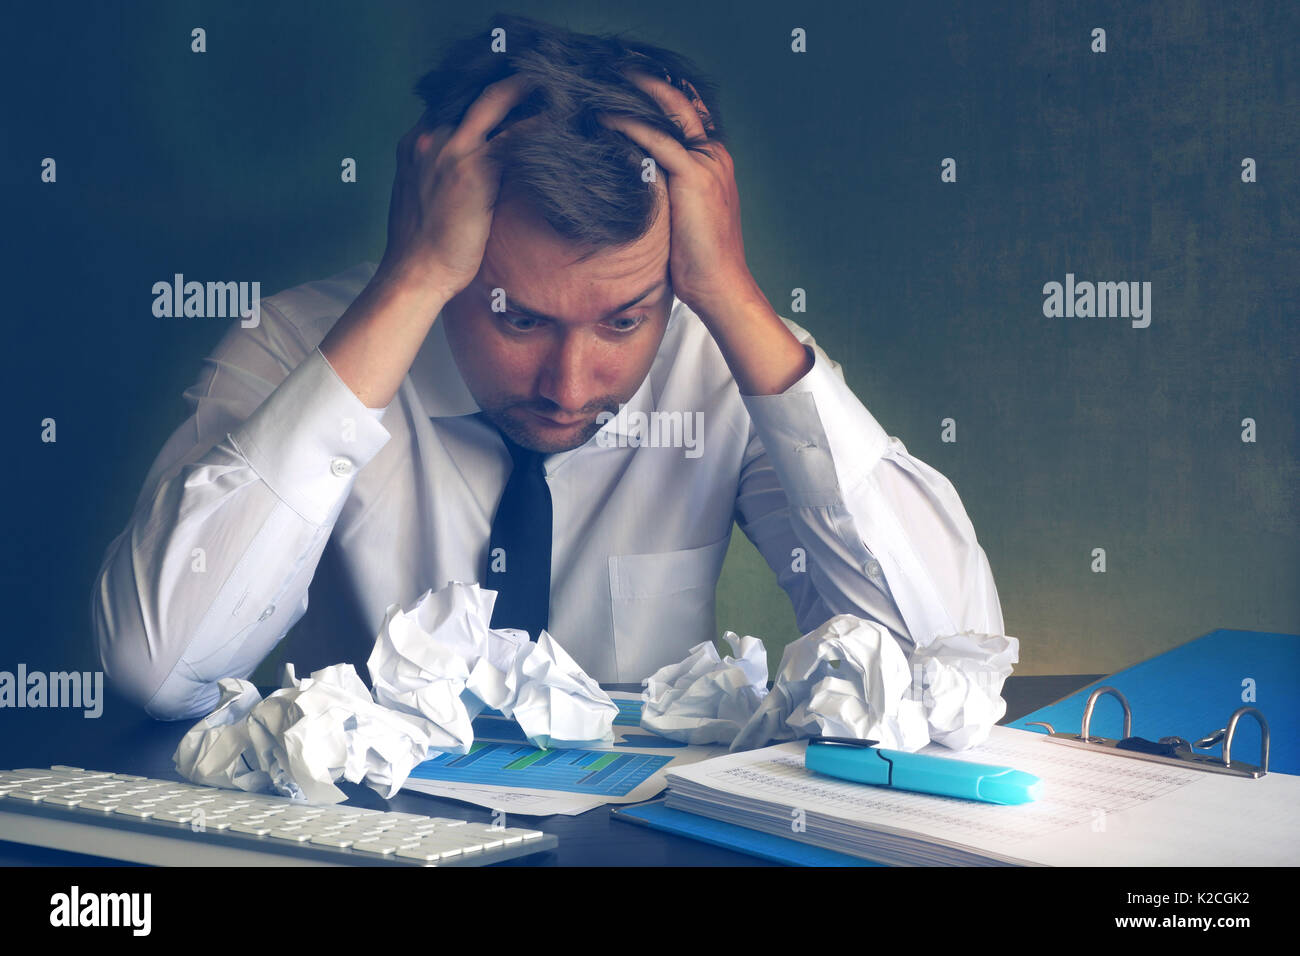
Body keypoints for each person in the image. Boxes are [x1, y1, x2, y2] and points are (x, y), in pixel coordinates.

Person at [92, 15, 1005, 721]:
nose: (570, 388)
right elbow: (159, 666)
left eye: (623, 320)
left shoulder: (721, 359)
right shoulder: (301, 350)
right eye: (516, 317)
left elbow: (947, 662)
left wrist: (729, 294)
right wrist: (408, 284)